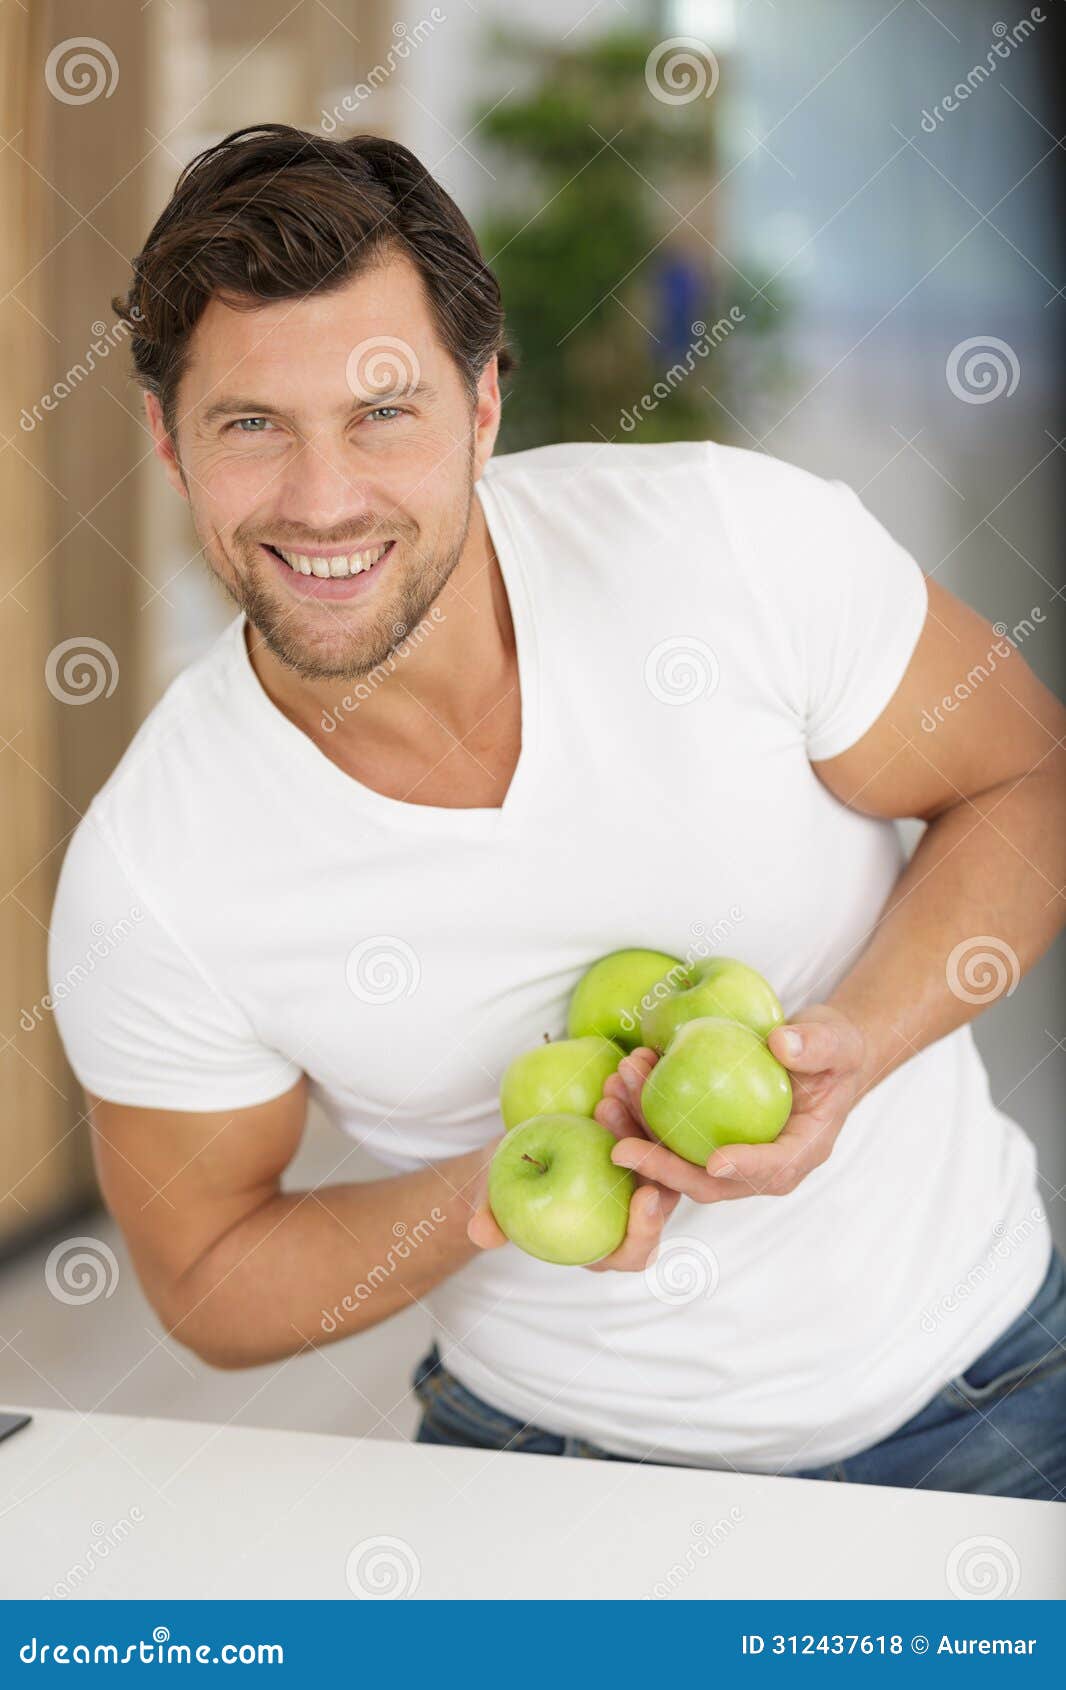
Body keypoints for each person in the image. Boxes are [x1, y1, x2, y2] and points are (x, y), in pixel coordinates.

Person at [49, 125, 1065, 1499]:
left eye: (382, 412)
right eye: (251, 426)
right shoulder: (153, 871)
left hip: (983, 1391)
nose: (322, 497)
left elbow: (1026, 776)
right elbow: (210, 1275)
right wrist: (490, 1198)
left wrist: (857, 1044)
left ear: (481, 409)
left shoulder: (731, 545)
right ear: (170, 445)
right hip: (544, 1458)